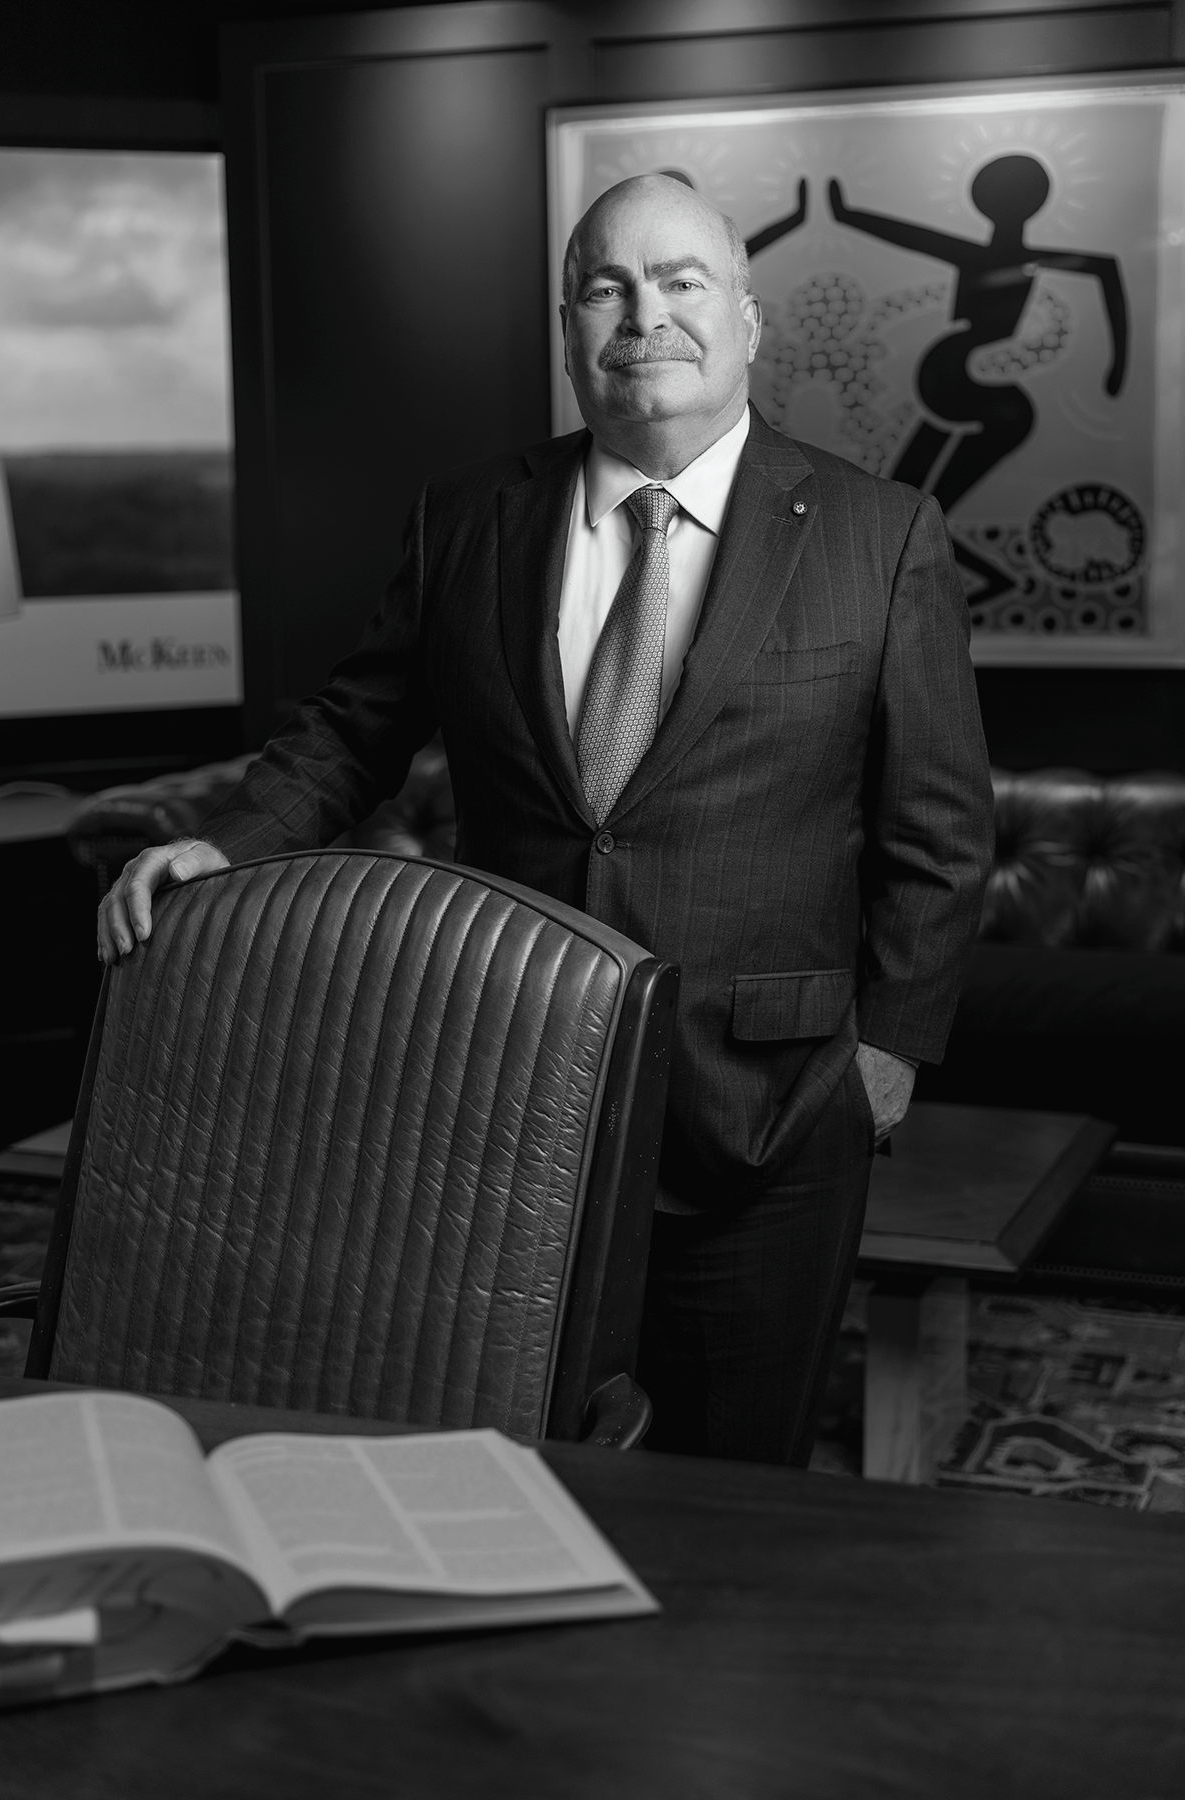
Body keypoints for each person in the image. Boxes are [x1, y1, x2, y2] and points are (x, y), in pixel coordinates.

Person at [98, 174, 994, 1467]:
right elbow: (353, 729)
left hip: (772, 1106)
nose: (645, 315)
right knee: (502, 1465)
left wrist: (886, 1061)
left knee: (738, 1484)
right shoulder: (468, 517)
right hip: (502, 1092)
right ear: (569, 328)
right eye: (605, 287)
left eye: (681, 281)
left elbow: (938, 830)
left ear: (747, 321)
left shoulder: (882, 534)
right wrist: (224, 845)